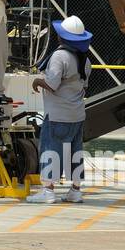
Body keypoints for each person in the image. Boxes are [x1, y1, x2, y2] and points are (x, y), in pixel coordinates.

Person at [28, 15, 93, 204]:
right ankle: (75, 190)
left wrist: (37, 81)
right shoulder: (85, 59)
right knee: (75, 152)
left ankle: (47, 191)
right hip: (77, 114)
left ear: (63, 37)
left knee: (50, 150)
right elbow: (84, 87)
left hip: (57, 114)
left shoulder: (59, 56)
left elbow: (52, 83)